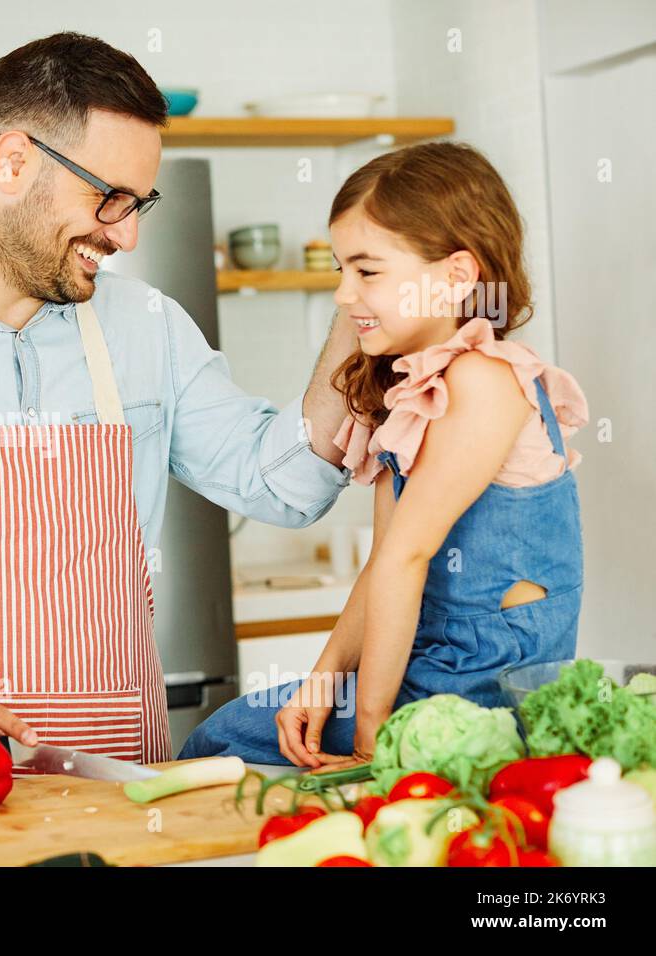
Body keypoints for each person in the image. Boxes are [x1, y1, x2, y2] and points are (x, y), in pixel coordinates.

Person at [0, 32, 357, 799]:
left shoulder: (148, 327)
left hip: (121, 787)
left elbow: (285, 485)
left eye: (140, 203)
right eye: (108, 197)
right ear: (12, 162)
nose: (126, 234)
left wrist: (364, 306)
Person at [180, 142, 588, 768]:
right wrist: (323, 680)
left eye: (367, 271)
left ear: (457, 275)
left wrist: (375, 748)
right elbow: (383, 567)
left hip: (485, 687)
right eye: (341, 270)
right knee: (229, 735)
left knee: (222, 740)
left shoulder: (484, 380)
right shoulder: (412, 390)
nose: (345, 294)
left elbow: (408, 559)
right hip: (429, 663)